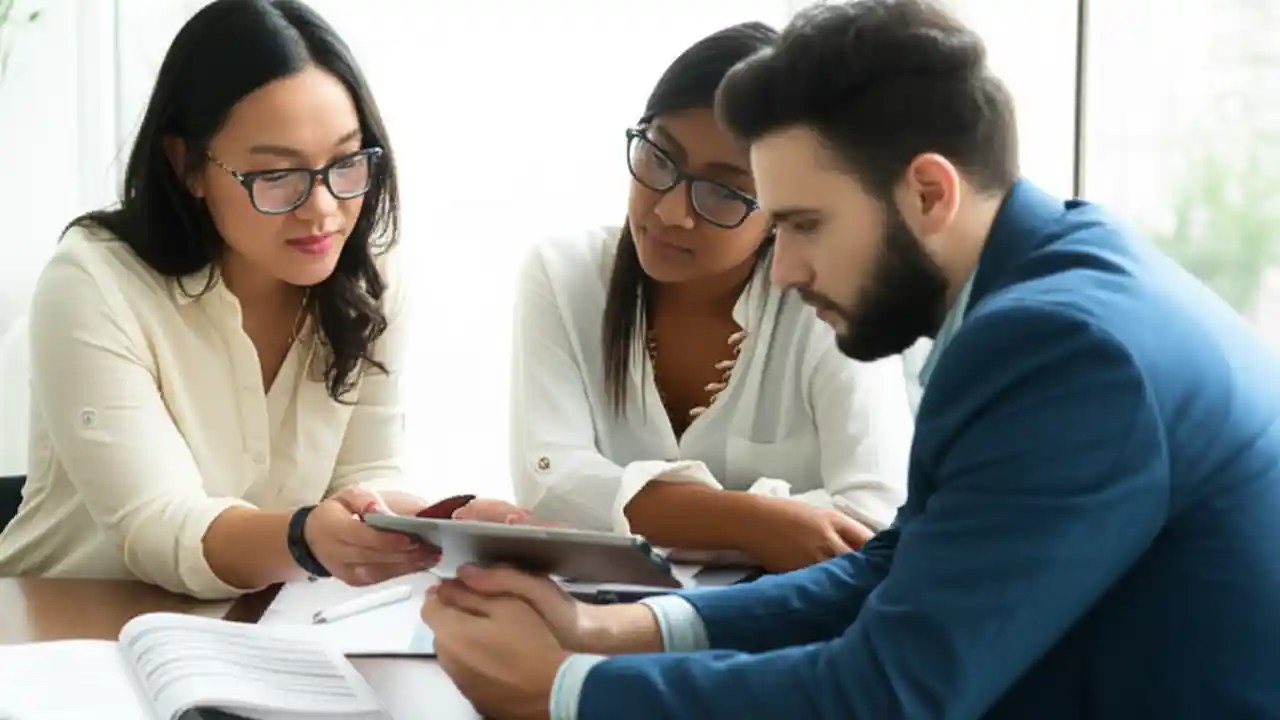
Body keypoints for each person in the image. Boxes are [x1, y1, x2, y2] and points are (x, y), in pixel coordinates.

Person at [420, 1, 1280, 718]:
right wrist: (611, 630)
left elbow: (889, 694)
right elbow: (891, 567)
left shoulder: (1061, 349)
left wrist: (564, 692)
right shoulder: (1053, 275)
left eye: (803, 225)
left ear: (929, 192)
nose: (785, 270)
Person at [0, 0, 501, 599]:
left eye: (346, 163)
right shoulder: (93, 281)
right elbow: (158, 525)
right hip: (62, 635)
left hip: (248, 636)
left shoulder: (369, 278)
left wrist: (445, 525)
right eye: (276, 175)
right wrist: (307, 539)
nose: (323, 209)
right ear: (187, 165)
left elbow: (363, 478)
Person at [458, 22, 917, 573]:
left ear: (781, 204)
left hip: (790, 628)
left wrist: (633, 515)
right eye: (659, 158)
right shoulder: (563, 274)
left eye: (723, 191)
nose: (671, 212)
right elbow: (550, 483)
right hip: (604, 619)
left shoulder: (825, 302)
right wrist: (759, 523)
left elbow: (872, 519)